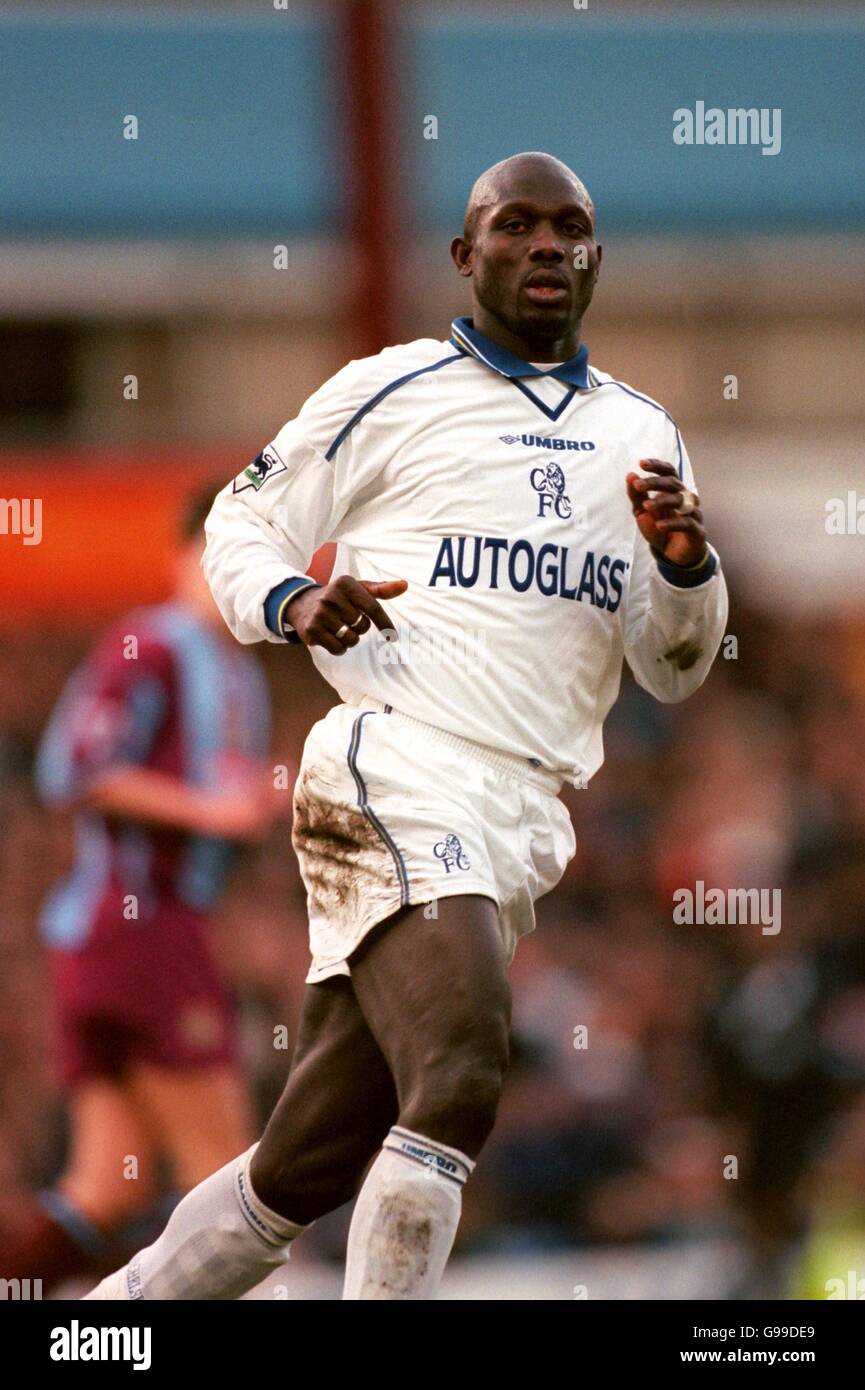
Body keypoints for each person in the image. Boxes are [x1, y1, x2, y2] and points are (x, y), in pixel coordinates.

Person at [86, 151, 728, 1301]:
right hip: (399, 761)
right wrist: (290, 598)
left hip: (524, 814)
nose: (544, 245)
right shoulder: (392, 389)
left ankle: (103, 1325)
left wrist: (685, 566)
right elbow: (243, 519)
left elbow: (672, 665)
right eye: (515, 225)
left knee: (304, 1162)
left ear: (593, 256)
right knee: (466, 1066)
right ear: (464, 253)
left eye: (568, 228)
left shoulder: (644, 434)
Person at [0, 488, 273, 1293]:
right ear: (189, 556)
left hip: (106, 943)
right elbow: (74, 769)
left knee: (106, 1188)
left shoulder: (235, 673)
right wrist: (214, 811)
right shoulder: (149, 643)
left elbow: (217, 792)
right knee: (231, 1185)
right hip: (140, 933)